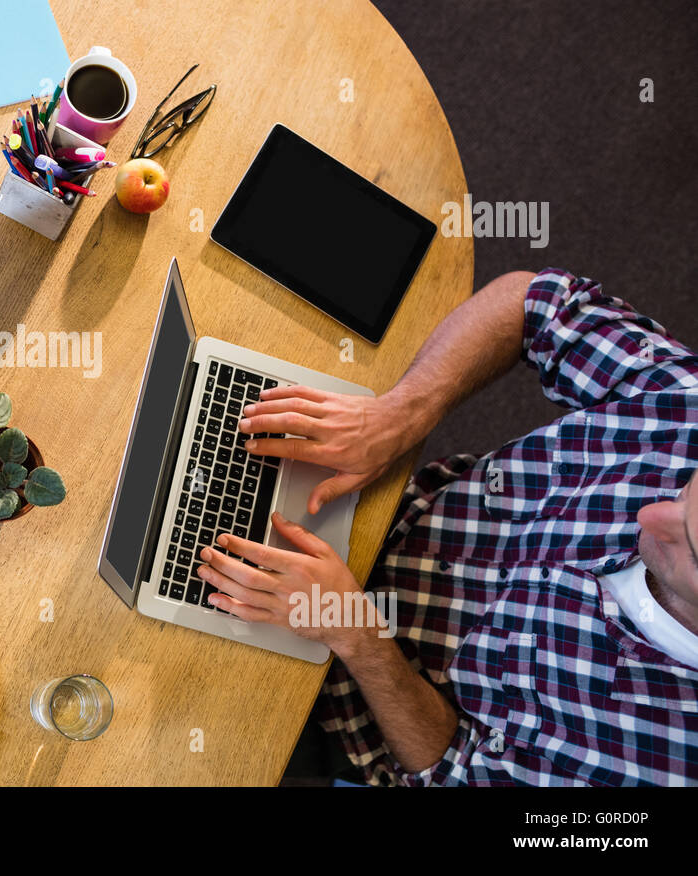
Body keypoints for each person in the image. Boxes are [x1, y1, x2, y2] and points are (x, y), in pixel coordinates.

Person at [203, 268, 698, 784]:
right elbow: (535, 304)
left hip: (329, 706)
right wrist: (401, 414)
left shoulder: (666, 762)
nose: (651, 514)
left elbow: (457, 771)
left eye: (688, 546)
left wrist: (356, 633)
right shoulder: (689, 415)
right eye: (687, 492)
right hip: (373, 502)